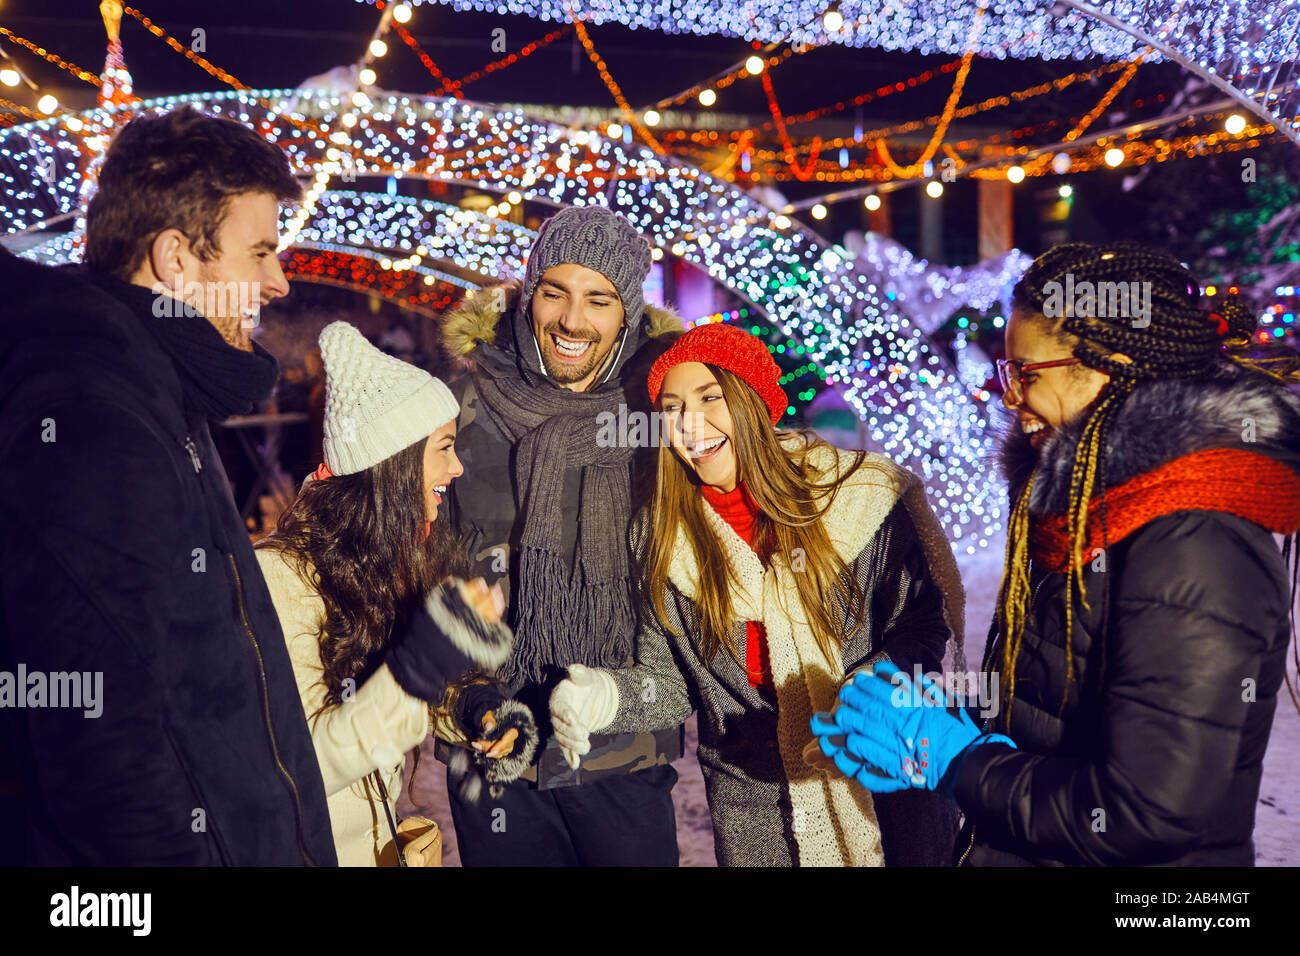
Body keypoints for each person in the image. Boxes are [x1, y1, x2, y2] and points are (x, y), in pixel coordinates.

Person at [815, 241, 1300, 866]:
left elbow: (1151, 811)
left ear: (1110, 365)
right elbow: (1055, 705)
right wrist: (941, 716)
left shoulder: (1194, 538)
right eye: (1004, 372)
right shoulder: (1085, 512)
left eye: (1025, 373)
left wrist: (955, 757)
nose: (1009, 398)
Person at [0, 105, 337, 864]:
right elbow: (102, 754)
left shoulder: (156, 388)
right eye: (258, 253)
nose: (278, 282)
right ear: (177, 259)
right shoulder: (91, 412)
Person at [549, 322, 965, 866]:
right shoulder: (660, 536)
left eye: (709, 397)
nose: (689, 423)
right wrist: (604, 697)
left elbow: (923, 623)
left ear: (751, 402)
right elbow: (670, 685)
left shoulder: (862, 497)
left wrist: (871, 685)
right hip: (756, 812)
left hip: (886, 782)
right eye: (671, 408)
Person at [434, 205, 687, 866]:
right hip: (491, 746)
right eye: (556, 292)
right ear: (529, 294)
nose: (573, 321)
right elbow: (411, 565)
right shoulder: (455, 408)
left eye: (599, 300)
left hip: (620, 745)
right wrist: (468, 700)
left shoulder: (662, 417)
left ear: (627, 312)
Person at [255, 321, 535, 866]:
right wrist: (422, 667)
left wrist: (470, 706)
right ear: (394, 463)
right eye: (445, 448)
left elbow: (392, 694)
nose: (456, 468)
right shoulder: (281, 578)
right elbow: (304, 763)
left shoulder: (382, 562)